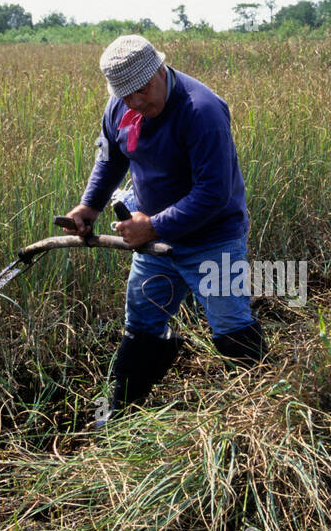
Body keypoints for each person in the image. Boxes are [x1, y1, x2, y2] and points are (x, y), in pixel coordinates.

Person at [64, 34, 268, 428]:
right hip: (154, 239)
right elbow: (110, 159)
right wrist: (89, 204)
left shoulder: (202, 111)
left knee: (231, 328)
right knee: (142, 323)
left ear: (160, 70)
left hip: (211, 240)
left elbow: (213, 194)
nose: (136, 103)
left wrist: (152, 225)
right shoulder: (120, 106)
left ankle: (260, 416)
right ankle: (119, 414)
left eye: (142, 91)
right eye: (126, 96)